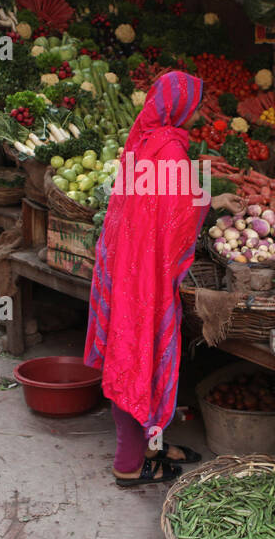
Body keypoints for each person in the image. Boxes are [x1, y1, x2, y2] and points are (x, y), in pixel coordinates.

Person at [85, 71, 244, 487]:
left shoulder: (144, 137)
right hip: (146, 273)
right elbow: (174, 216)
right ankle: (130, 463)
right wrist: (208, 204)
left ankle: (152, 445)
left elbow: (161, 197)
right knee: (139, 354)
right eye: (194, 103)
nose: (196, 111)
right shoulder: (170, 148)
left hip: (124, 262)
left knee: (130, 348)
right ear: (182, 106)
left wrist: (210, 197)